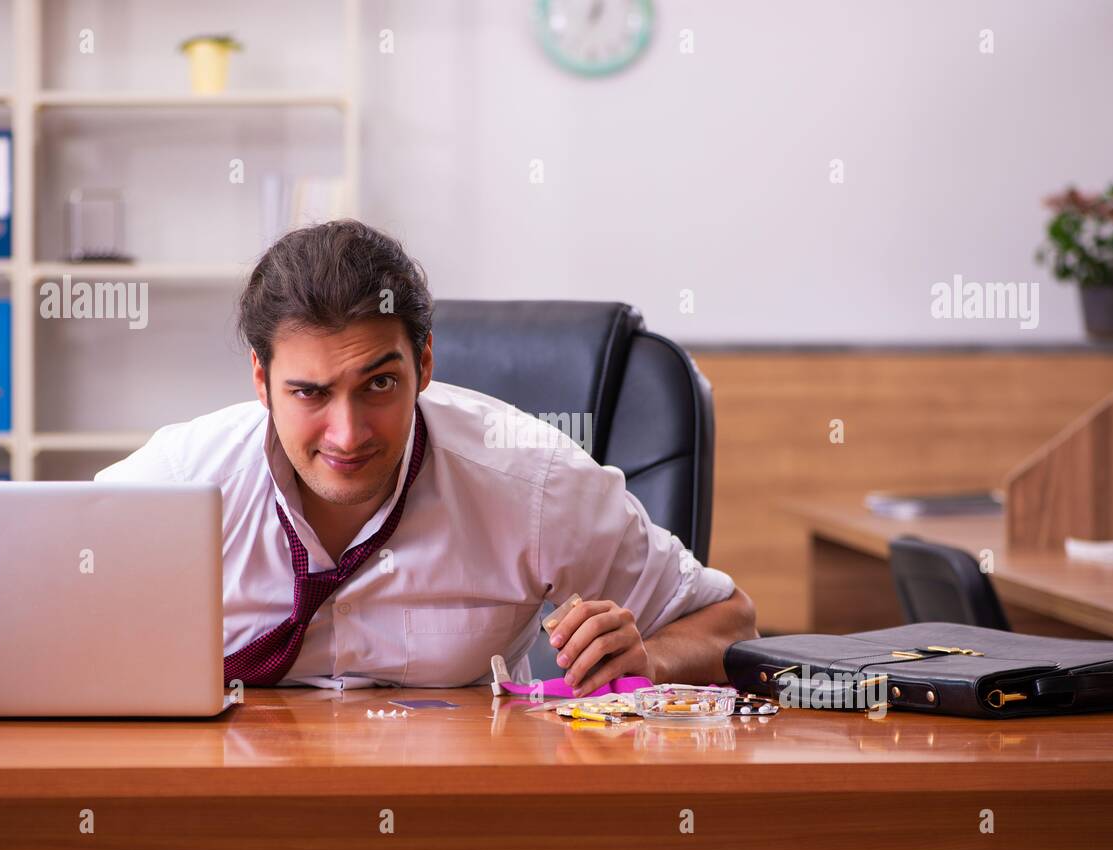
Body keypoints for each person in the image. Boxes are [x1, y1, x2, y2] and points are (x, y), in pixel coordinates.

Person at [96, 219, 757, 691]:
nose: (347, 434)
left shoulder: (532, 479)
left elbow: (731, 620)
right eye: (310, 393)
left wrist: (650, 657)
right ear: (262, 382)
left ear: (426, 364)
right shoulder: (180, 482)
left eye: (379, 383)